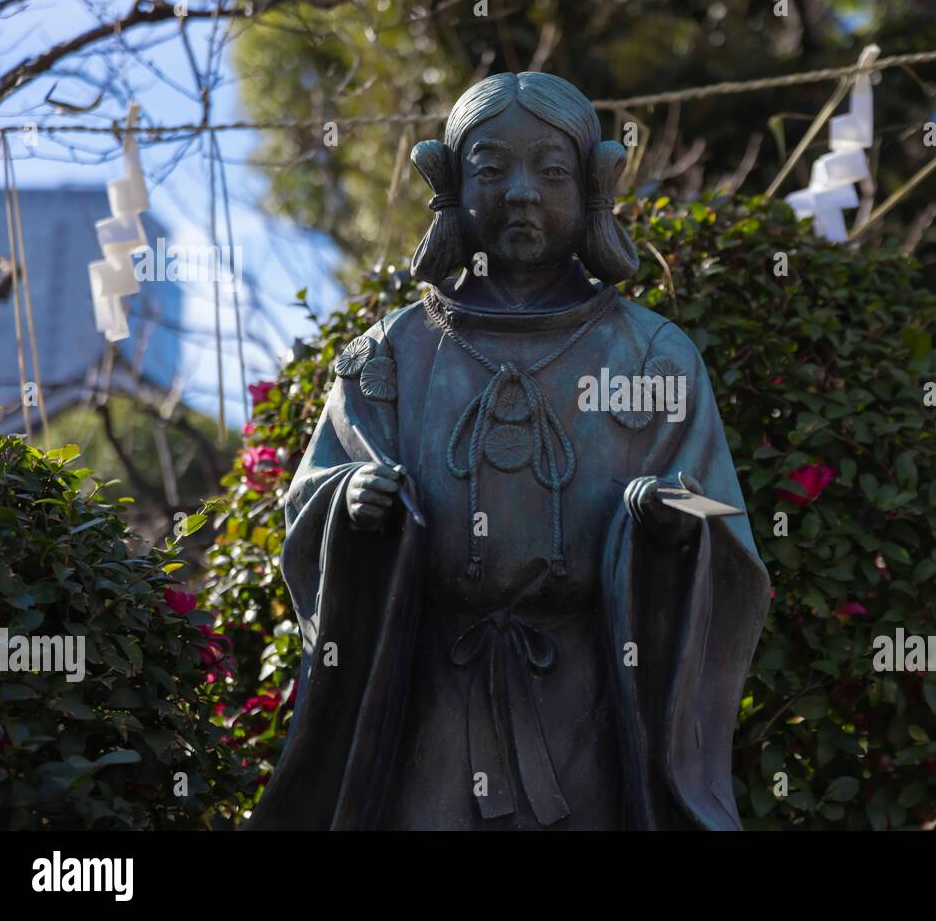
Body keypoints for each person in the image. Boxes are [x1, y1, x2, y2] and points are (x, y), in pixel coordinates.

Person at [250, 72, 770, 830]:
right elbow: (313, 498)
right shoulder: (395, 353)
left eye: (551, 171)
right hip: (432, 696)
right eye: (491, 170)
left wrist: (661, 527)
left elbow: (714, 516)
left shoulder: (654, 355)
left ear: (592, 184)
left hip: (590, 696)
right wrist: (357, 505)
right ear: (453, 186)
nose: (522, 193)